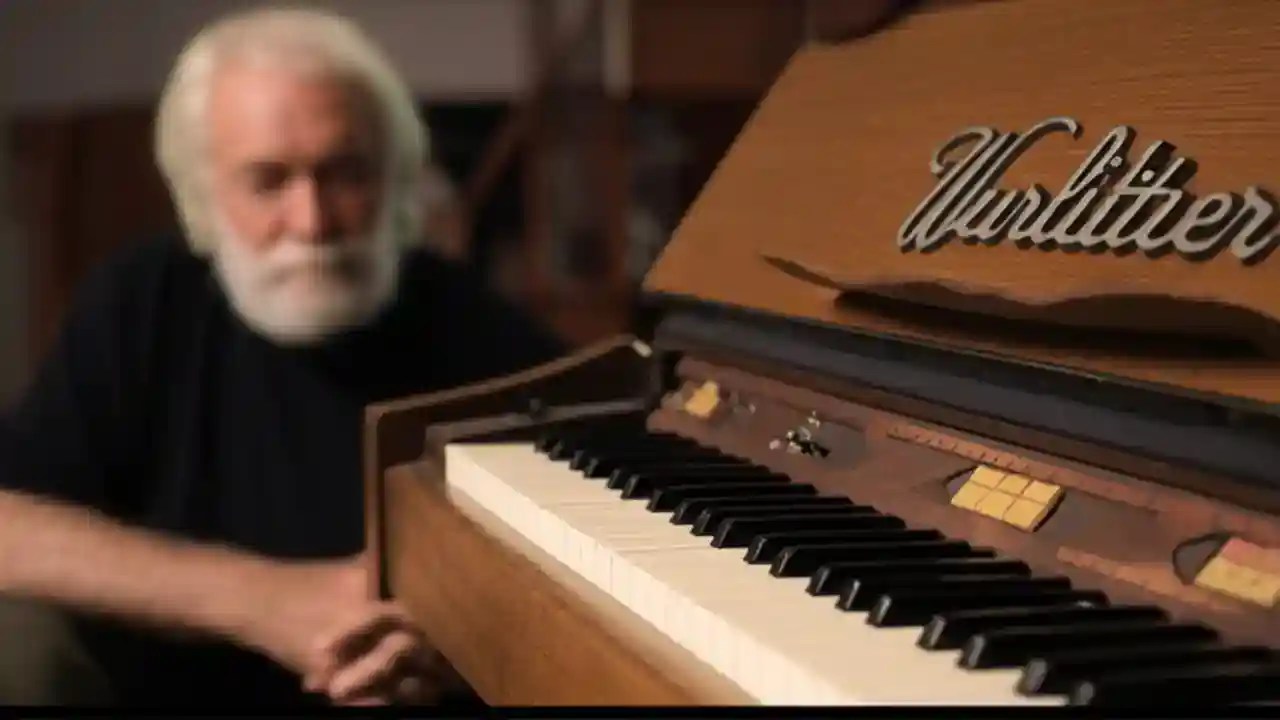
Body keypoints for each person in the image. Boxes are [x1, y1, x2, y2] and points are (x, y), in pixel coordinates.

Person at [0, 6, 564, 707]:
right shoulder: (141, 304)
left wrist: (461, 650)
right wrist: (265, 602)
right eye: (269, 181)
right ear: (203, 195)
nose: (313, 221)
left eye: (345, 173)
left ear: (395, 178)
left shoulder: (484, 333)